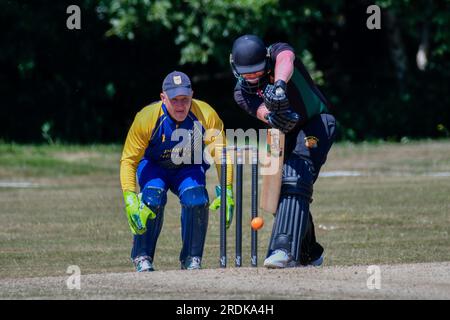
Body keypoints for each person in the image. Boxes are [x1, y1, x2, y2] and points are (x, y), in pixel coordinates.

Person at [230, 34, 336, 268]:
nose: (253, 77)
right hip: (283, 132)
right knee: (277, 195)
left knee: (294, 177)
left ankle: (284, 250)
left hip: (316, 121)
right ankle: (310, 253)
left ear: (266, 61)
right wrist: (273, 116)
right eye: (247, 73)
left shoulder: (277, 52)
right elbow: (261, 113)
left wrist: (279, 86)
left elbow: (287, 58)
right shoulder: (241, 92)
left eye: (257, 71)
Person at [120, 71, 234, 272]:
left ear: (192, 95)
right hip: (154, 166)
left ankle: (191, 258)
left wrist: (227, 190)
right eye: (175, 100)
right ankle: (142, 256)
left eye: (185, 99)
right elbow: (129, 160)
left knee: (197, 200)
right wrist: (129, 197)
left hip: (188, 167)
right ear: (163, 98)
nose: (181, 105)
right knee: (151, 200)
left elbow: (221, 154)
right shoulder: (146, 118)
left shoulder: (205, 114)